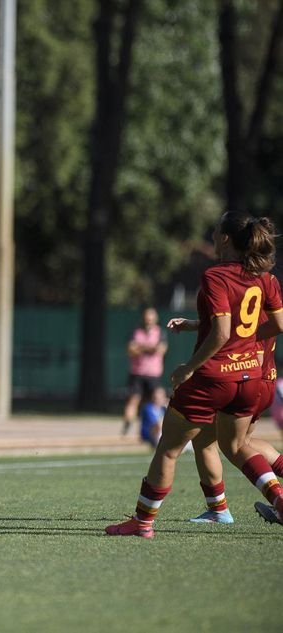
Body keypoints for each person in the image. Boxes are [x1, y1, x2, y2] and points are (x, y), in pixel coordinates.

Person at [106, 213, 283, 538]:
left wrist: (189, 368)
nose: (213, 235)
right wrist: (243, 342)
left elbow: (222, 331)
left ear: (226, 239)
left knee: (170, 447)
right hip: (249, 379)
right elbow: (276, 324)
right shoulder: (266, 277)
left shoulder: (216, 275)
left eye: (215, 231)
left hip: (213, 378)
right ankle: (272, 500)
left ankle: (143, 523)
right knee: (236, 445)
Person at [183, 306, 283, 525]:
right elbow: (231, 326)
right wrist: (193, 324)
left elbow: (245, 344)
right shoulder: (264, 301)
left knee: (221, 444)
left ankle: (273, 500)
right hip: (264, 380)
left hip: (248, 380)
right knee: (241, 442)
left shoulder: (250, 298)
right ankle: (218, 509)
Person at [121, 308, 167, 436]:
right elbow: (131, 349)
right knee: (133, 400)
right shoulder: (136, 332)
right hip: (137, 373)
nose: (148, 320)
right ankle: (126, 429)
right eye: (147, 317)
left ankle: (155, 429)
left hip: (154, 374)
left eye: (151, 318)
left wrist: (140, 347)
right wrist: (150, 348)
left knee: (156, 401)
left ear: (155, 319)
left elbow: (161, 349)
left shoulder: (160, 332)